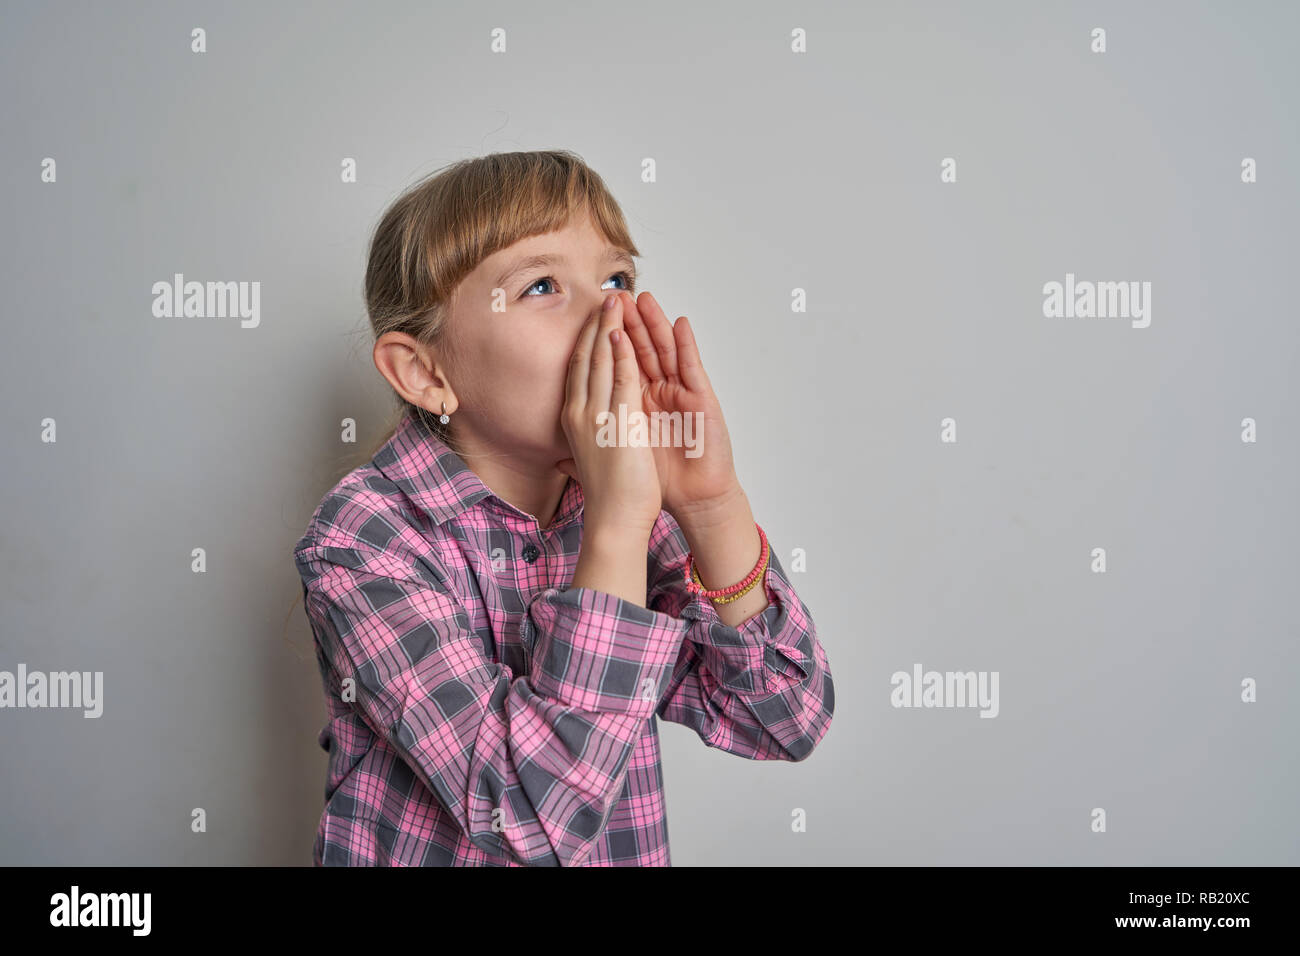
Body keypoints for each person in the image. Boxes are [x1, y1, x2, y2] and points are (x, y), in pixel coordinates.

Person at [293, 149, 834, 866]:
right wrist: (617, 525)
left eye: (617, 277)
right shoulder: (367, 537)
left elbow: (785, 720)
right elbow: (527, 813)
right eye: (543, 284)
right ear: (426, 372)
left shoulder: (629, 507)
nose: (610, 313)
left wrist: (710, 506)